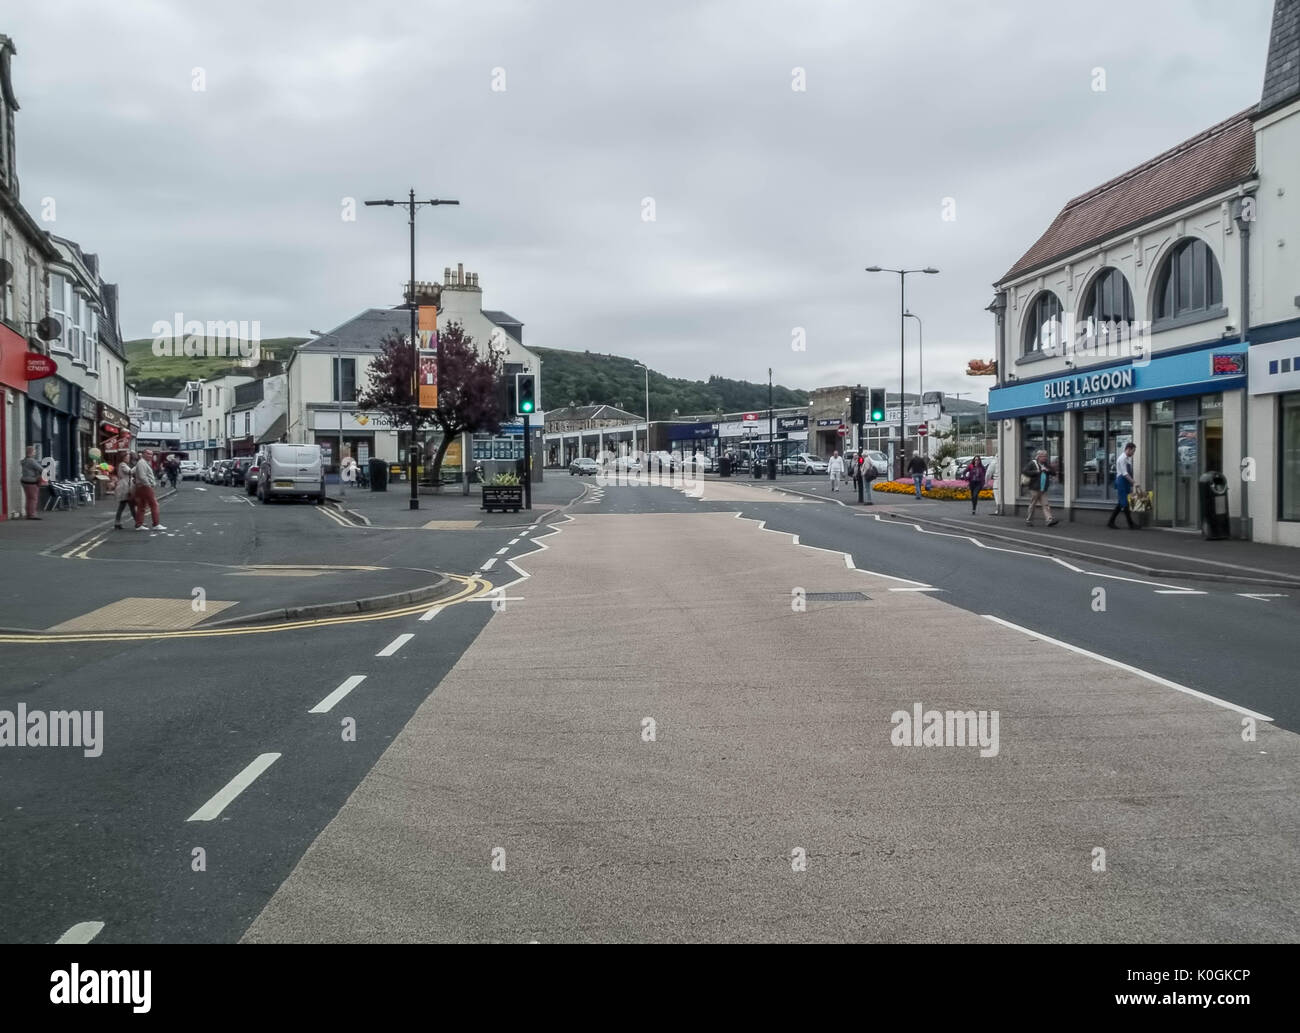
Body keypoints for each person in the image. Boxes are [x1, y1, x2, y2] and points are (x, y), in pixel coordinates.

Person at [133, 449, 166, 531]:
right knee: (154, 505)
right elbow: (142, 476)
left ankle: (139, 524)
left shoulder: (143, 463)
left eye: (151, 454)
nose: (150, 456)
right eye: (148, 454)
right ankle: (156, 524)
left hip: (140, 486)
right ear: (143, 454)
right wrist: (149, 484)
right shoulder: (142, 463)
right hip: (145, 486)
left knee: (141, 506)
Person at [1023, 450, 1058, 527]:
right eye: (1043, 456)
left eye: (1046, 456)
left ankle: (1049, 520)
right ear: (1038, 457)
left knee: (1046, 504)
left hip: (1043, 488)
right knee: (1033, 504)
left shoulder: (1046, 464)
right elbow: (1025, 471)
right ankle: (1029, 520)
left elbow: (1054, 472)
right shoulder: (1032, 463)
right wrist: (1037, 471)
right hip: (1034, 488)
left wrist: (1047, 470)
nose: (1045, 458)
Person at [1108, 441, 1138, 530]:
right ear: (1128, 449)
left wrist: (1131, 483)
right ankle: (1131, 524)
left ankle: (1111, 522)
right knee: (1125, 503)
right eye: (1133, 451)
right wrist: (1134, 483)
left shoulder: (1126, 458)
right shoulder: (1122, 459)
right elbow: (1125, 473)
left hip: (1125, 482)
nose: (1133, 453)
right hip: (1121, 481)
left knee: (1122, 503)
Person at [111, 452, 137, 529]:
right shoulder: (122, 465)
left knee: (125, 506)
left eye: (129, 457)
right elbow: (130, 472)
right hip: (124, 487)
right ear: (123, 458)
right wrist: (137, 467)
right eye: (127, 457)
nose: (128, 458)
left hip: (126, 485)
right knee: (129, 505)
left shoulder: (124, 464)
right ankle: (138, 522)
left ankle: (117, 522)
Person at [20, 445, 43, 519]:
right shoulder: (31, 461)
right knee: (33, 499)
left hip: (24, 481)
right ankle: (32, 515)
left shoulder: (24, 460)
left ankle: (28, 514)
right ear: (31, 452)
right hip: (31, 482)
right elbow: (41, 469)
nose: (35, 453)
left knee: (28, 498)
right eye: (34, 452)